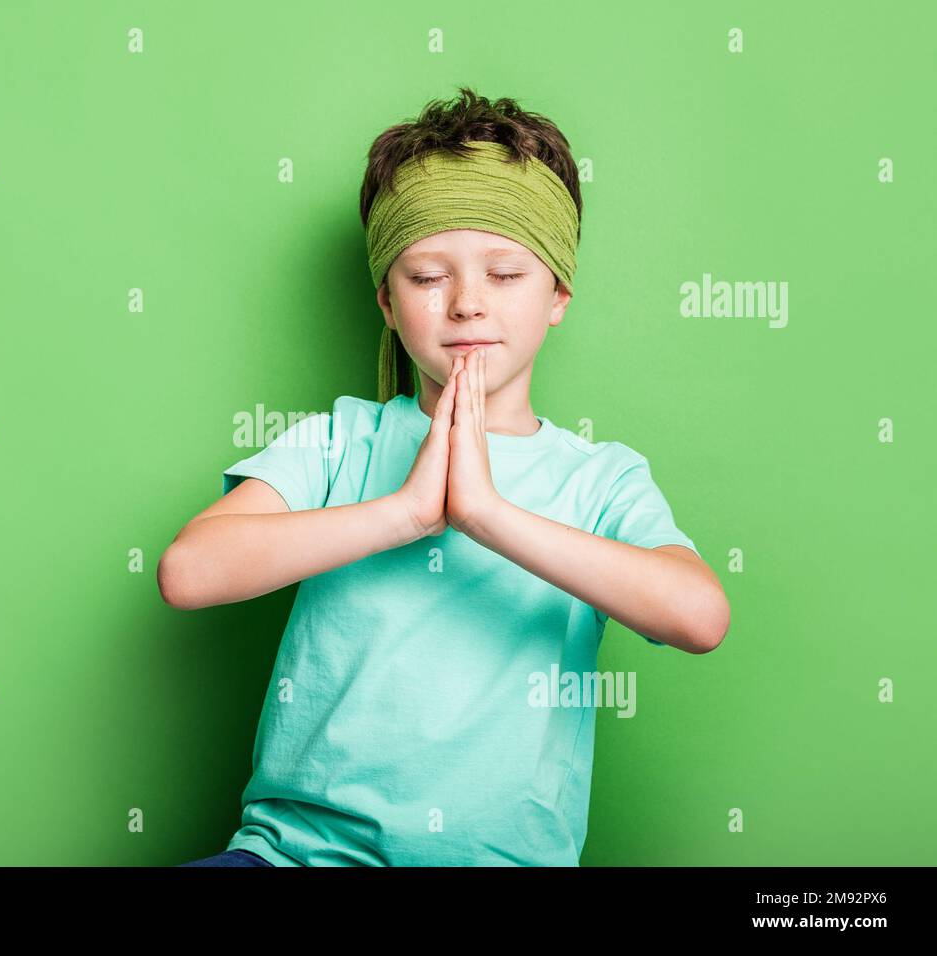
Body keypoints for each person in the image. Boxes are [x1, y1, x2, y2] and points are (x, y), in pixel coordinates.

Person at [161, 87, 730, 867]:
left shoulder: (601, 479)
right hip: (294, 857)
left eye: (505, 273)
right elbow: (188, 572)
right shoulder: (339, 442)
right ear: (386, 304)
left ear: (558, 293)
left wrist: (487, 514)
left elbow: (699, 617)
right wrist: (403, 513)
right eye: (428, 277)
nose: (467, 305)